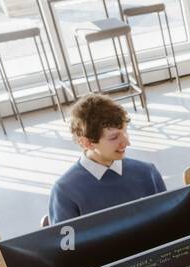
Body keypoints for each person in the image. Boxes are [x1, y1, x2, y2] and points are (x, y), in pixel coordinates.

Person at [48, 92, 166, 224]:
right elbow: (66, 244)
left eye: (125, 132)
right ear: (87, 143)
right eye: (114, 137)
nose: (127, 143)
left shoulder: (148, 173)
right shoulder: (65, 191)